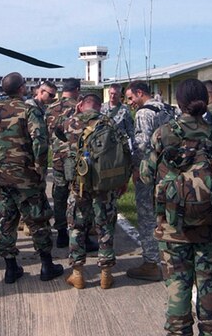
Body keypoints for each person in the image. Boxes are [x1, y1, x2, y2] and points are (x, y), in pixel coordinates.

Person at [141, 78, 212, 336]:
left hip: (173, 228)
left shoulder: (163, 134)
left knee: (177, 289)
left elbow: (145, 174)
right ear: (206, 102)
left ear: (179, 103)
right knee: (210, 292)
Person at [0, 72, 64, 283]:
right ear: (21, 88)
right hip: (26, 177)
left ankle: (11, 269)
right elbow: (40, 140)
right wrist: (40, 167)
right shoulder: (29, 110)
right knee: (38, 220)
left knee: (7, 220)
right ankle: (47, 266)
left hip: (2, 176)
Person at [61, 93, 124, 290]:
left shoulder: (70, 123)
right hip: (105, 184)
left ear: (81, 105)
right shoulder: (110, 123)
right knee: (104, 227)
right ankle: (106, 274)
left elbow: (62, 148)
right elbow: (123, 152)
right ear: (100, 107)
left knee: (77, 226)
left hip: (79, 185)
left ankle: (78, 274)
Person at [124, 80, 170, 281]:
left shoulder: (144, 113)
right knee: (165, 216)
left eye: (131, 98)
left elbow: (141, 146)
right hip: (167, 172)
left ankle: (151, 263)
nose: (130, 102)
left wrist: (135, 168)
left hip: (148, 172)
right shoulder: (166, 109)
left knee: (146, 216)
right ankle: (168, 258)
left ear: (140, 93)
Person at [45, 78, 81, 248]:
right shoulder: (79, 107)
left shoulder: (50, 108)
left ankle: (61, 234)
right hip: (76, 160)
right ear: (77, 90)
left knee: (59, 196)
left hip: (58, 159)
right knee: (77, 196)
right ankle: (78, 232)